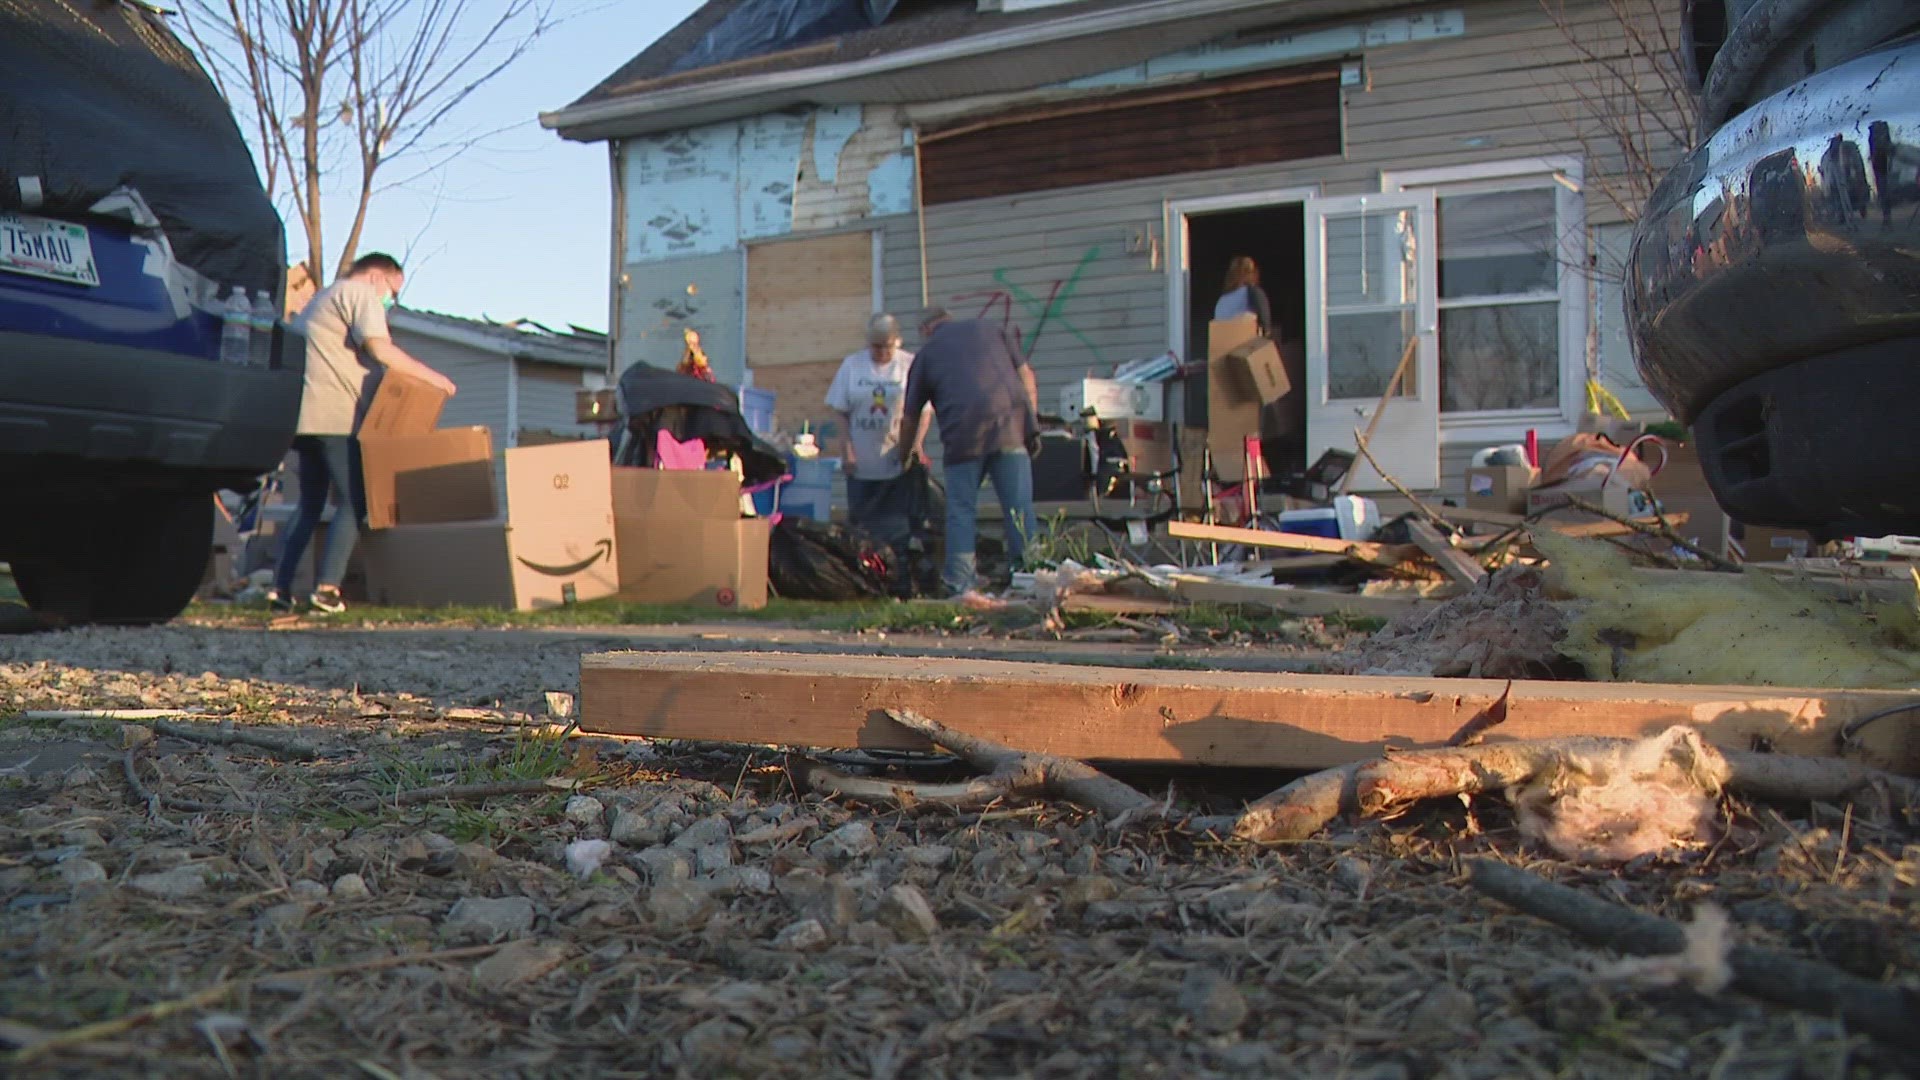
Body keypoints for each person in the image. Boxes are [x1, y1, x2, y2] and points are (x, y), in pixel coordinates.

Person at [269, 253, 456, 614]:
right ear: (375, 277)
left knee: (309, 504)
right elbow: (379, 348)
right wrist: (435, 379)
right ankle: (326, 590)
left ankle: (280, 589)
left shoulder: (321, 299)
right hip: (336, 417)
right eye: (392, 291)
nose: (390, 301)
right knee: (356, 502)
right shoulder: (360, 294)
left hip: (305, 418)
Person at [899, 307, 1039, 600]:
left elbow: (909, 418)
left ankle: (961, 585)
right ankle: (1029, 578)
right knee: (1019, 509)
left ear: (925, 330)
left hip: (964, 440)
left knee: (961, 511)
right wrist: (1029, 422)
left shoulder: (925, 356)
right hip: (1009, 430)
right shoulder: (992, 330)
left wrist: (906, 454)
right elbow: (1027, 375)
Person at [825, 313, 931, 592]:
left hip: (898, 458)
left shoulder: (909, 365)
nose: (881, 353)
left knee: (898, 524)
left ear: (897, 341)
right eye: (876, 347)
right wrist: (846, 449)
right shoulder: (853, 365)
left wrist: (915, 445)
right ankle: (867, 579)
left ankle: (897, 579)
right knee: (862, 524)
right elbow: (839, 411)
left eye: (886, 347)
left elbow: (924, 412)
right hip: (862, 461)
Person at [1214, 255, 1275, 336]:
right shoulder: (1254, 292)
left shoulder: (1222, 298)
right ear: (1251, 273)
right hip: (1243, 341)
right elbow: (1266, 326)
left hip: (1221, 341)